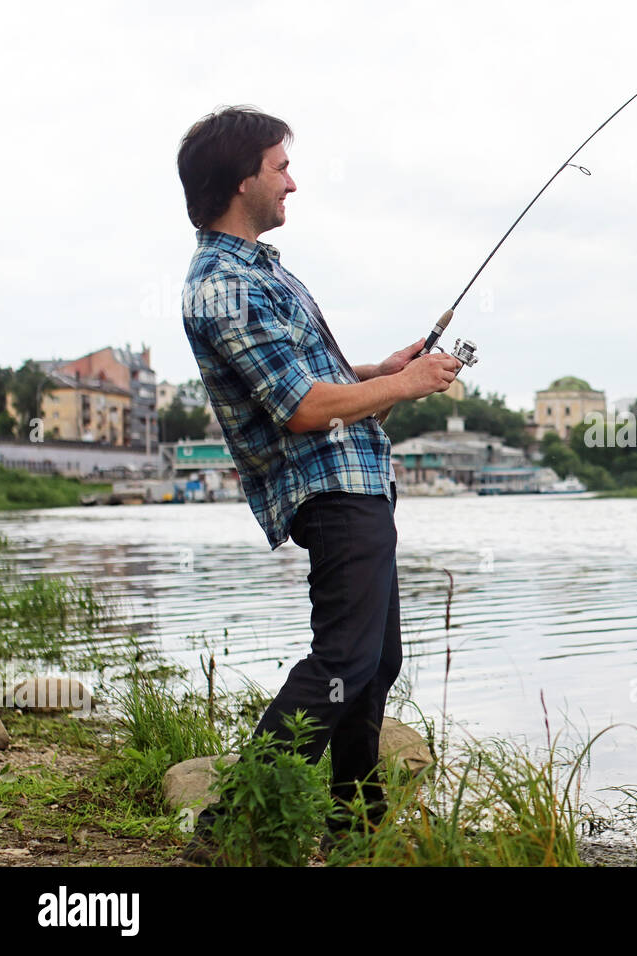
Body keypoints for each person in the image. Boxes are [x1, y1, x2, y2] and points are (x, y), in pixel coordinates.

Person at [175, 106, 461, 863]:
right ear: (242, 179)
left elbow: (313, 380)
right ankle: (228, 830)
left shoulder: (263, 273)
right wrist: (416, 387)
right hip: (330, 491)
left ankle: (355, 830)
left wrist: (384, 373)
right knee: (342, 660)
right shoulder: (222, 287)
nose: (291, 182)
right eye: (279, 166)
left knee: (375, 662)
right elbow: (301, 408)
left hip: (358, 483)